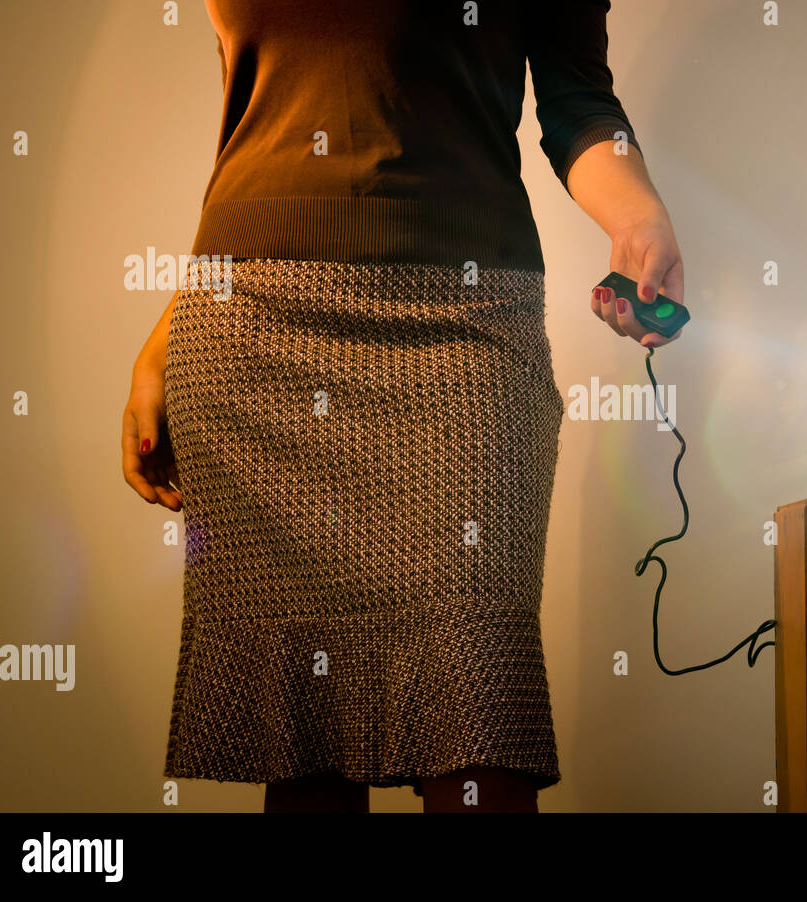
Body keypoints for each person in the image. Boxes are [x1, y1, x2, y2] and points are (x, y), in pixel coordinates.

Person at [120, 0, 683, 813]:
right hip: (249, 327)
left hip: (465, 320)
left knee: (480, 720)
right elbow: (267, 117)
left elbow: (578, 99)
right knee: (304, 747)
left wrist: (640, 217)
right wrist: (163, 337)